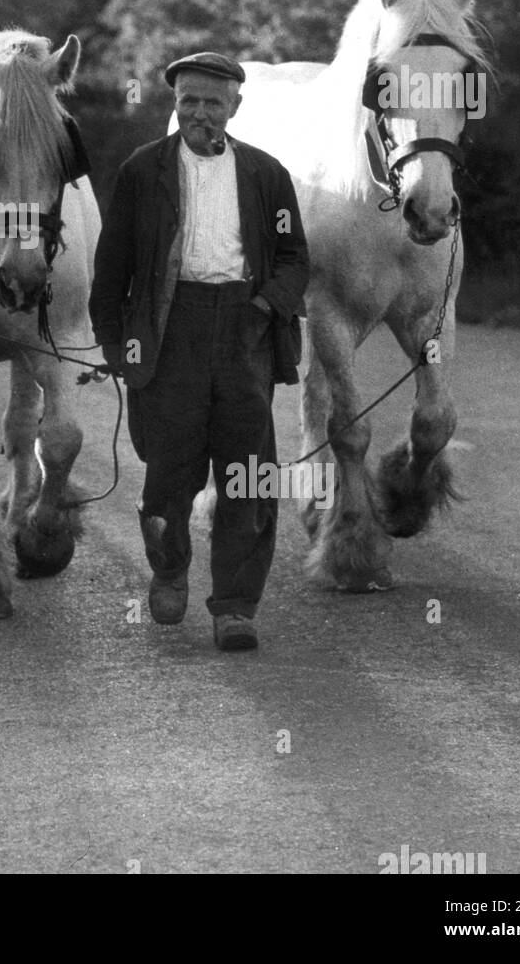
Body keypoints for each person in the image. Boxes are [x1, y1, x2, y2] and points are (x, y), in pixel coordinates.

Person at [89, 53, 309, 651]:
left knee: (247, 475)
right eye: (188, 100)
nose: (199, 112)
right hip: (169, 330)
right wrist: (118, 347)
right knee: (167, 475)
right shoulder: (143, 172)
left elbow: (294, 260)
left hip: (245, 329)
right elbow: (110, 272)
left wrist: (267, 308)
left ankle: (235, 605)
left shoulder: (267, 175)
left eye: (213, 101)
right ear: (175, 105)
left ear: (235, 106)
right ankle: (169, 566)